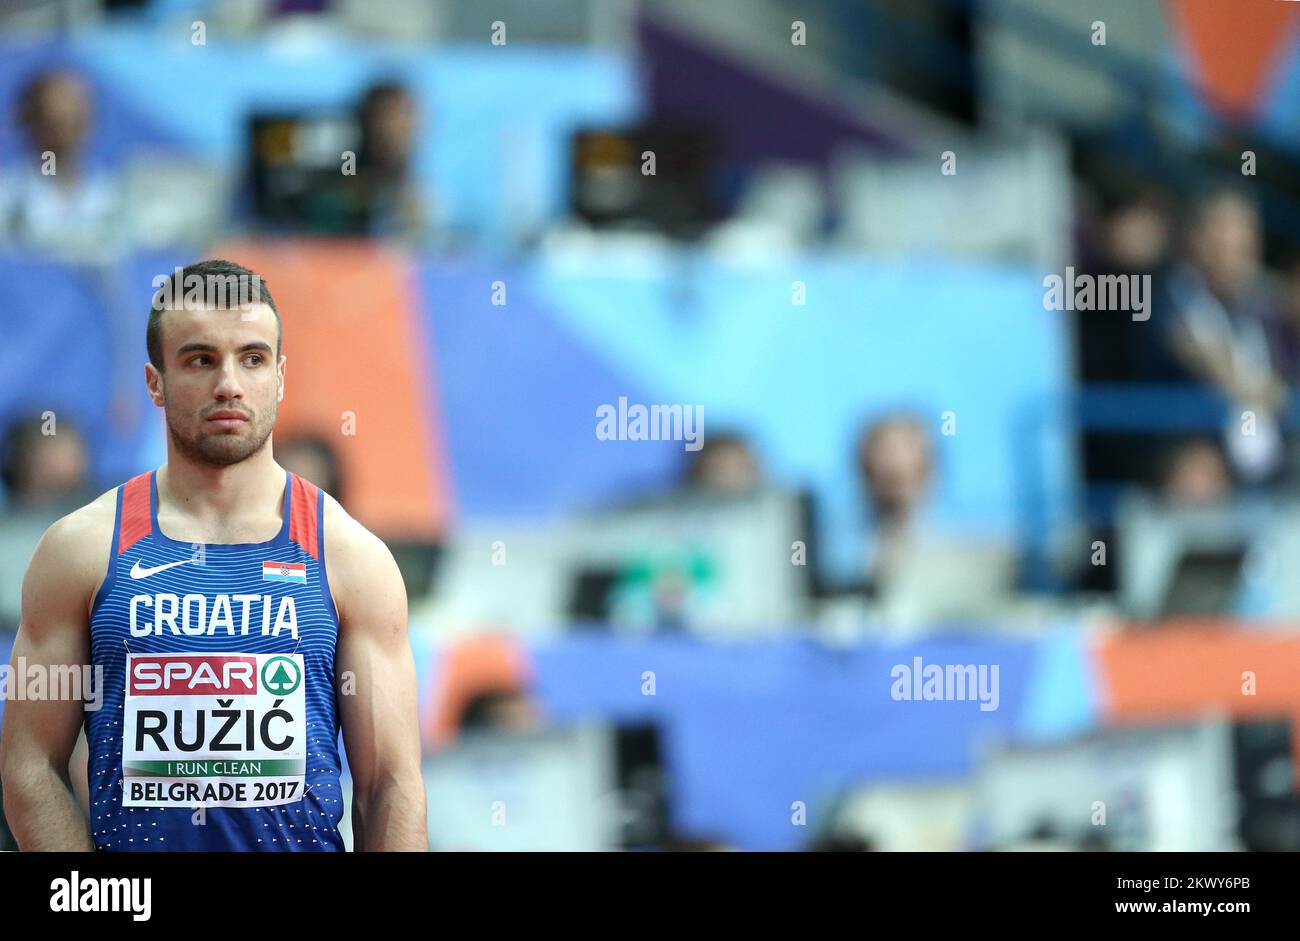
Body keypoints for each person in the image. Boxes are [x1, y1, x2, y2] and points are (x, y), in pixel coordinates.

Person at [0, 259, 427, 851]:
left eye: (252, 359)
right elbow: (29, 769)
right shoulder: (81, 550)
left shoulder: (351, 559)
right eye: (201, 360)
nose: (229, 383)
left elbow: (391, 786)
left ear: (279, 377)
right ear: (156, 382)